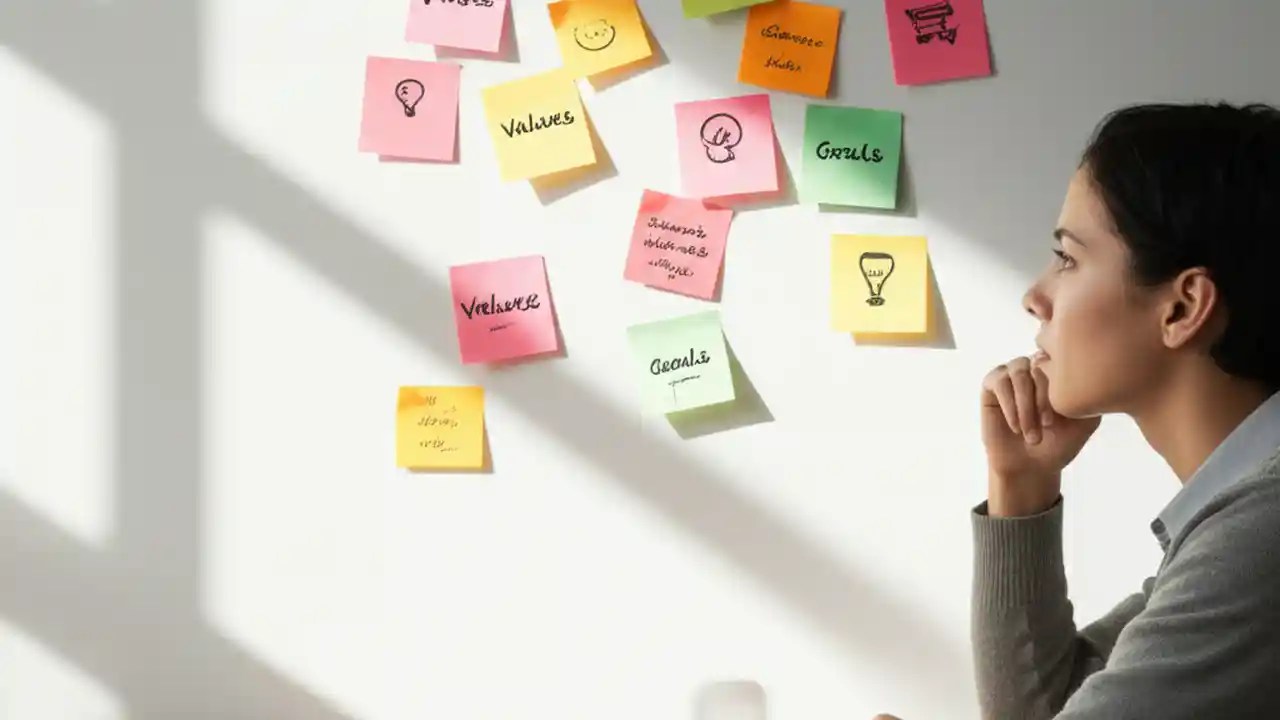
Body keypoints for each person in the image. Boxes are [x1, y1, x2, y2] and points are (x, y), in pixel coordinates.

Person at [874, 102, 1280, 719]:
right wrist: (1022, 483)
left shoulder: (1261, 537)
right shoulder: (1239, 521)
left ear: (1182, 307)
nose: (1035, 296)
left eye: (1068, 258)